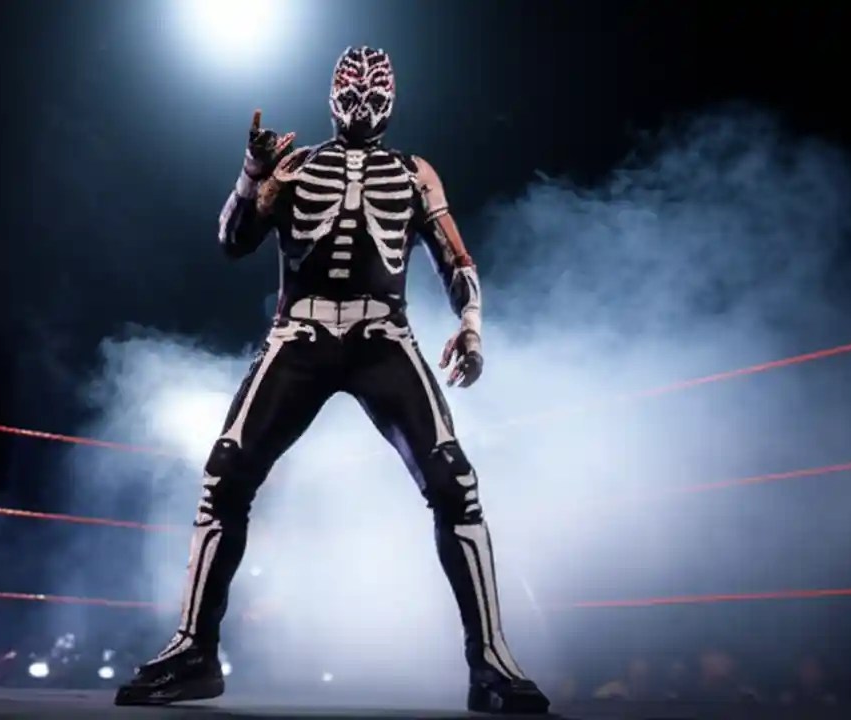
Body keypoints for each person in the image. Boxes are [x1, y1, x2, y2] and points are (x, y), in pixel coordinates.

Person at [115, 45, 550, 715]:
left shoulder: (413, 172)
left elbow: (453, 256)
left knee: (453, 481)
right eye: (354, 90)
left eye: (377, 92)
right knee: (226, 471)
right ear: (332, 93)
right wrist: (252, 174)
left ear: (393, 97)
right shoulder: (297, 165)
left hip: (383, 337)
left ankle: (489, 659)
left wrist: (473, 323)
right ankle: (194, 648)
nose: (364, 103)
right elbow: (233, 241)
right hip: (302, 335)